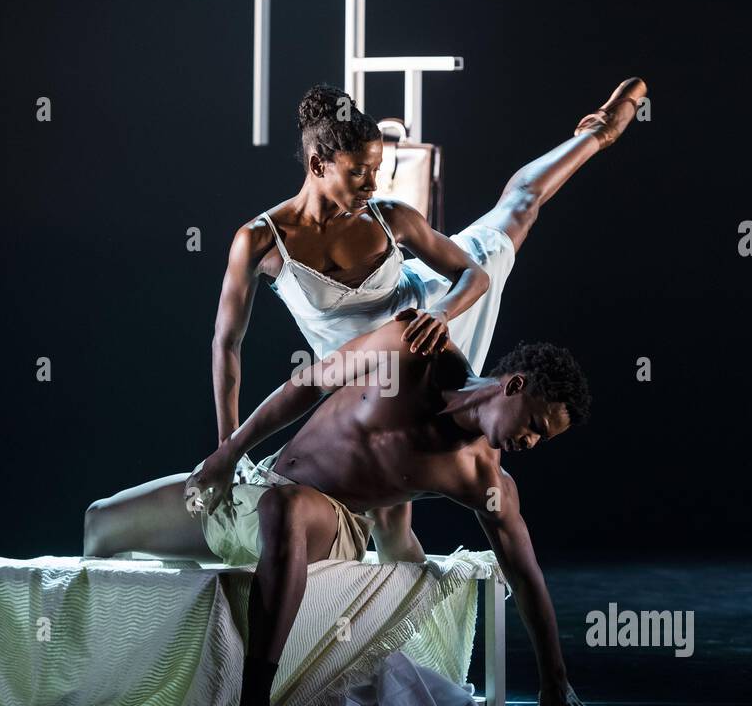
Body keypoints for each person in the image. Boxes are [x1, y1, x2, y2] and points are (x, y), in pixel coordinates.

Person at [83, 76, 646, 563]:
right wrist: (228, 447)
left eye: (378, 171)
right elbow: (226, 347)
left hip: (429, 330)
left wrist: (443, 316)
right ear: (317, 164)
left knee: (517, 209)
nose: (372, 185)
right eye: (359, 173)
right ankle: (400, 645)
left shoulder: (389, 217)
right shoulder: (259, 242)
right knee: (392, 519)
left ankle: (596, 134)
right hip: (366, 370)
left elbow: (473, 276)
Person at [85, 311, 610, 706]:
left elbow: (526, 574)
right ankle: (94, 677)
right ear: (513, 386)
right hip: (255, 483)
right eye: (536, 426)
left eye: (544, 440)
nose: (532, 443)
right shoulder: (415, 348)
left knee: (287, 509)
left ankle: (254, 705)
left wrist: (554, 684)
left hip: (329, 521)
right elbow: (308, 382)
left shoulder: (483, 478)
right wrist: (229, 452)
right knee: (101, 522)